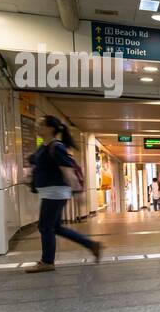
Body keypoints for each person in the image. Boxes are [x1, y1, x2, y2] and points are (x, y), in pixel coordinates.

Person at [22, 115, 102, 272]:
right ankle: (91, 245)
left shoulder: (57, 147)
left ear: (50, 128)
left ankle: (47, 262)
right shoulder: (43, 147)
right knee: (55, 227)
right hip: (50, 192)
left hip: (56, 193)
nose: (37, 127)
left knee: (45, 227)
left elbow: (68, 171)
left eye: (40, 124)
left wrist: (78, 192)